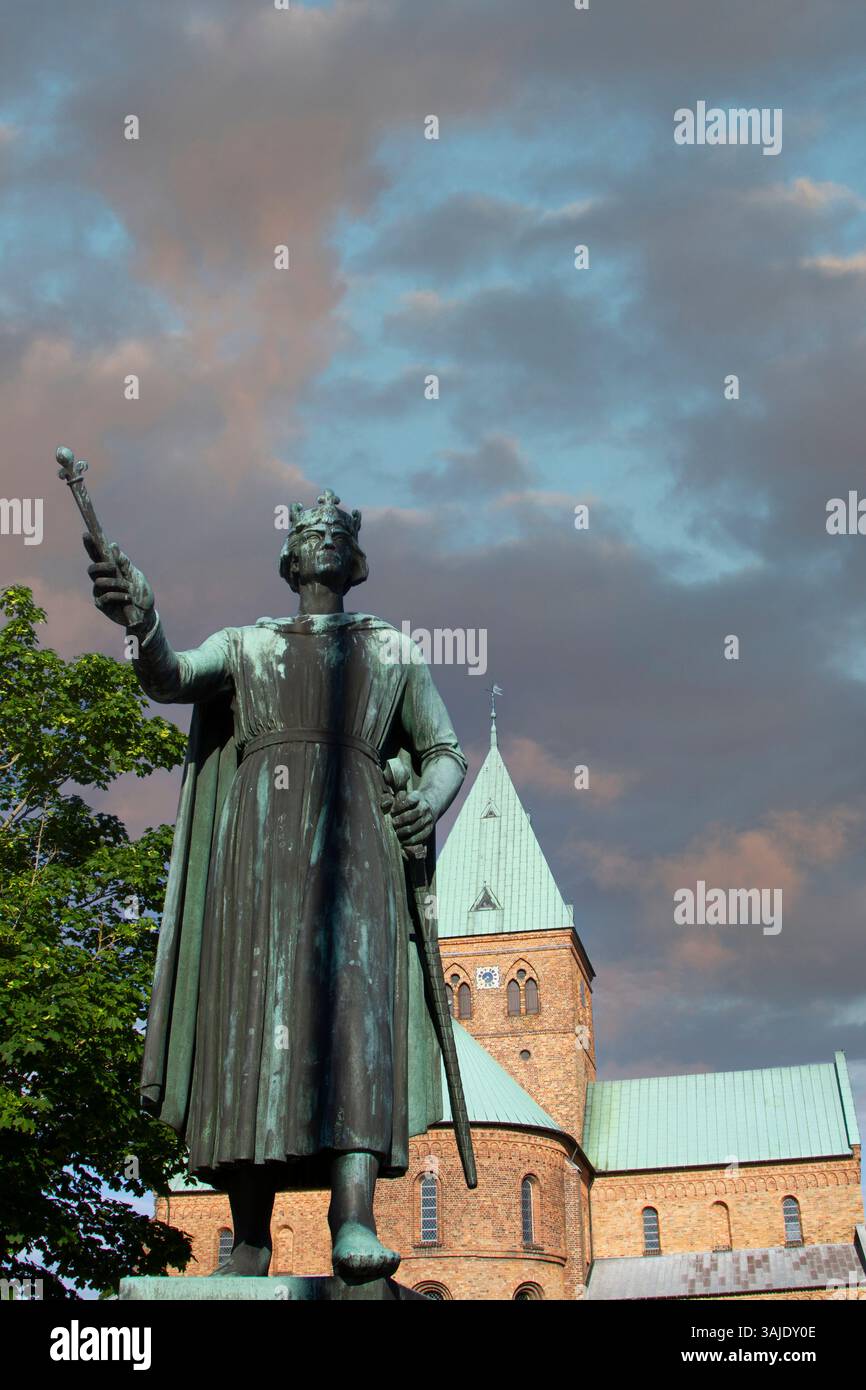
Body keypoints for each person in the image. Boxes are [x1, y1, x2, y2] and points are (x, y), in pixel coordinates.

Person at [84, 489, 467, 1282]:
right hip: (255, 852)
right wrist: (142, 620)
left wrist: (424, 805)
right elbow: (169, 676)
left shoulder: (391, 648)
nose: (319, 538)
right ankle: (251, 1237)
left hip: (358, 841)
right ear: (289, 559)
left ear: (354, 563)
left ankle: (352, 1220)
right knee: (246, 1026)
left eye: (334, 532)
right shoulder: (245, 644)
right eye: (306, 531)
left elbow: (444, 753)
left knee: (354, 1014)